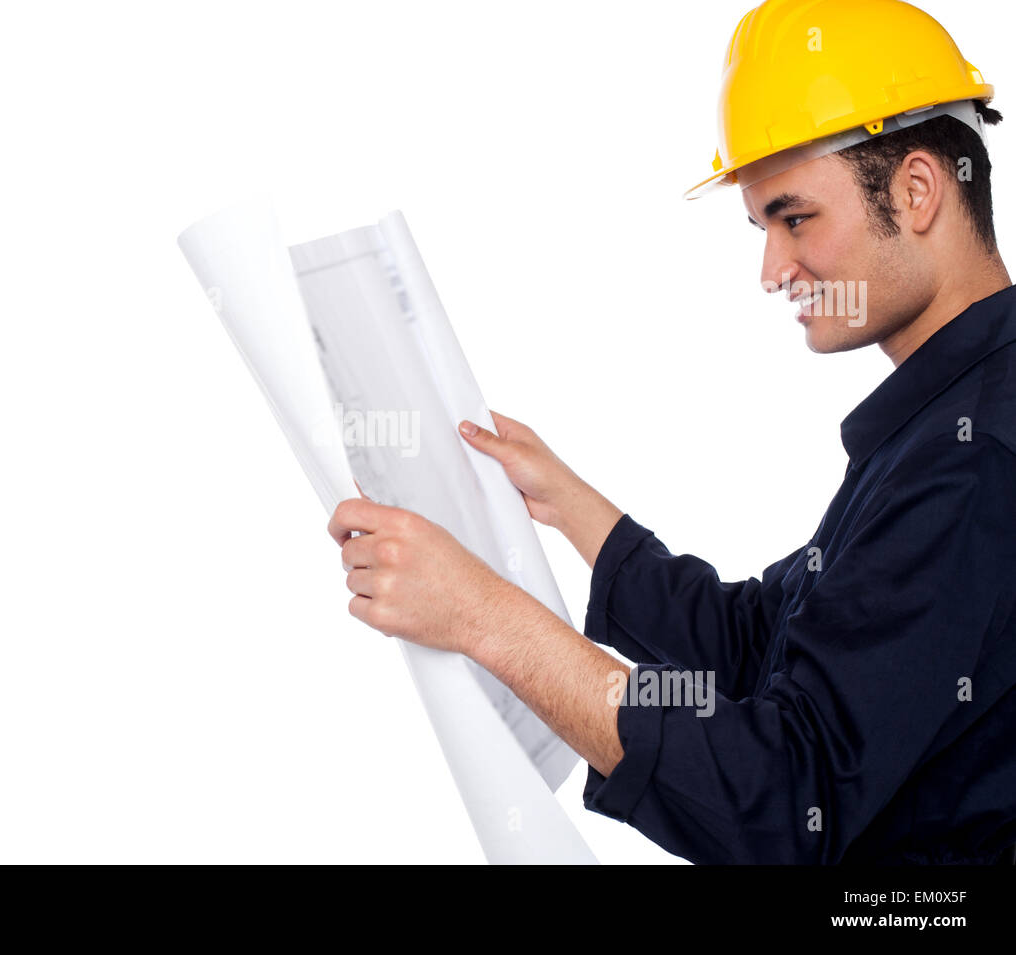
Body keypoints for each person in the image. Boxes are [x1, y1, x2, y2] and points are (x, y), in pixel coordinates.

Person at [327, 0, 1016, 863]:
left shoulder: (976, 461)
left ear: (917, 191)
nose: (771, 271)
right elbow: (767, 642)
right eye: (761, 226)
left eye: (795, 218)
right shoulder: (940, 425)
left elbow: (785, 796)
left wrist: (484, 617)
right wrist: (575, 511)